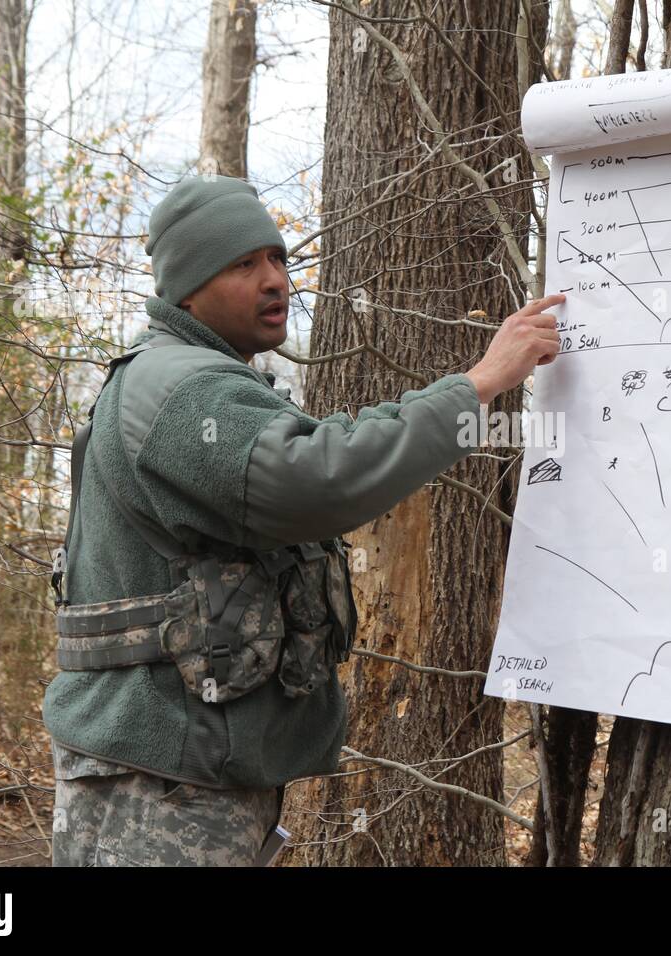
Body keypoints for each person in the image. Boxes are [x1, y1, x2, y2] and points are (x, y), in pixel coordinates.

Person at [44, 174, 562, 865]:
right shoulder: (178, 389)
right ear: (186, 289)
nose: (274, 281)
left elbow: (323, 452)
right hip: (158, 780)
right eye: (242, 264)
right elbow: (314, 478)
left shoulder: (203, 378)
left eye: (278, 258)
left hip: (183, 769)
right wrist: (477, 387)